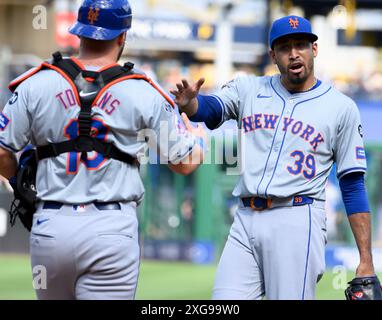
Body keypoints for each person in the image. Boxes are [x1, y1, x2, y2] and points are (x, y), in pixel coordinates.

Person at [0, 0, 205, 300]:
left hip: (51, 227)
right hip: (111, 228)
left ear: (79, 32)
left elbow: (2, 153)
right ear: (122, 36)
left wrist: (19, 178)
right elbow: (184, 164)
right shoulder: (143, 91)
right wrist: (198, 140)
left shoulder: (37, 82)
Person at [171, 15, 379, 300]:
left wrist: (365, 259)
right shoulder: (249, 89)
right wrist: (191, 103)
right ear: (273, 55)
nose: (294, 53)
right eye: (284, 47)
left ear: (314, 49)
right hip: (245, 219)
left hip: (297, 217)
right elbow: (211, 109)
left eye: (301, 44)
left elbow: (353, 185)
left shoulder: (341, 107)